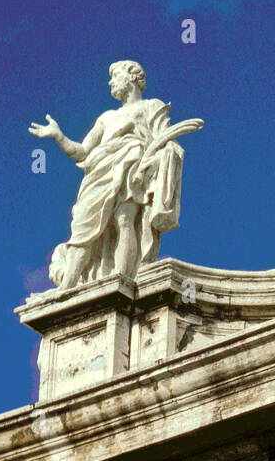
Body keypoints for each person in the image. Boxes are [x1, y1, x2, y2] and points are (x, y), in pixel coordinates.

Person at [29, 60, 174, 289]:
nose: (110, 81)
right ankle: (67, 286)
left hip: (131, 166)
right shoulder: (106, 117)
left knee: (125, 220)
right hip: (100, 171)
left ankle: (122, 280)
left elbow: (164, 141)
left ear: (132, 77)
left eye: (115, 75)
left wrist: (149, 166)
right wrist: (58, 136)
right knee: (82, 225)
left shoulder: (151, 106)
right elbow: (82, 152)